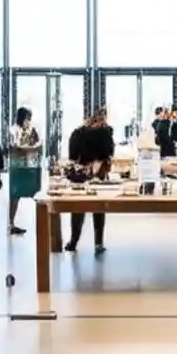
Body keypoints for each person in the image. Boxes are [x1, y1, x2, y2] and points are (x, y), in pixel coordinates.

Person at [66, 108, 115, 255]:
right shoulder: (106, 133)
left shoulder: (77, 133)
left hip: (80, 173)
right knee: (99, 208)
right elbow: (109, 154)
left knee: (78, 208)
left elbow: (72, 157)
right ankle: (98, 243)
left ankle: (74, 241)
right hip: (99, 173)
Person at [8, 107, 41, 236]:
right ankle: (11, 223)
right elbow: (16, 148)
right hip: (17, 166)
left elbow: (37, 142)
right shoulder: (14, 130)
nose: (28, 121)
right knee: (15, 196)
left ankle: (41, 222)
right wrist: (32, 149)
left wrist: (34, 146)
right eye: (27, 118)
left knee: (35, 193)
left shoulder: (30, 130)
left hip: (29, 165)